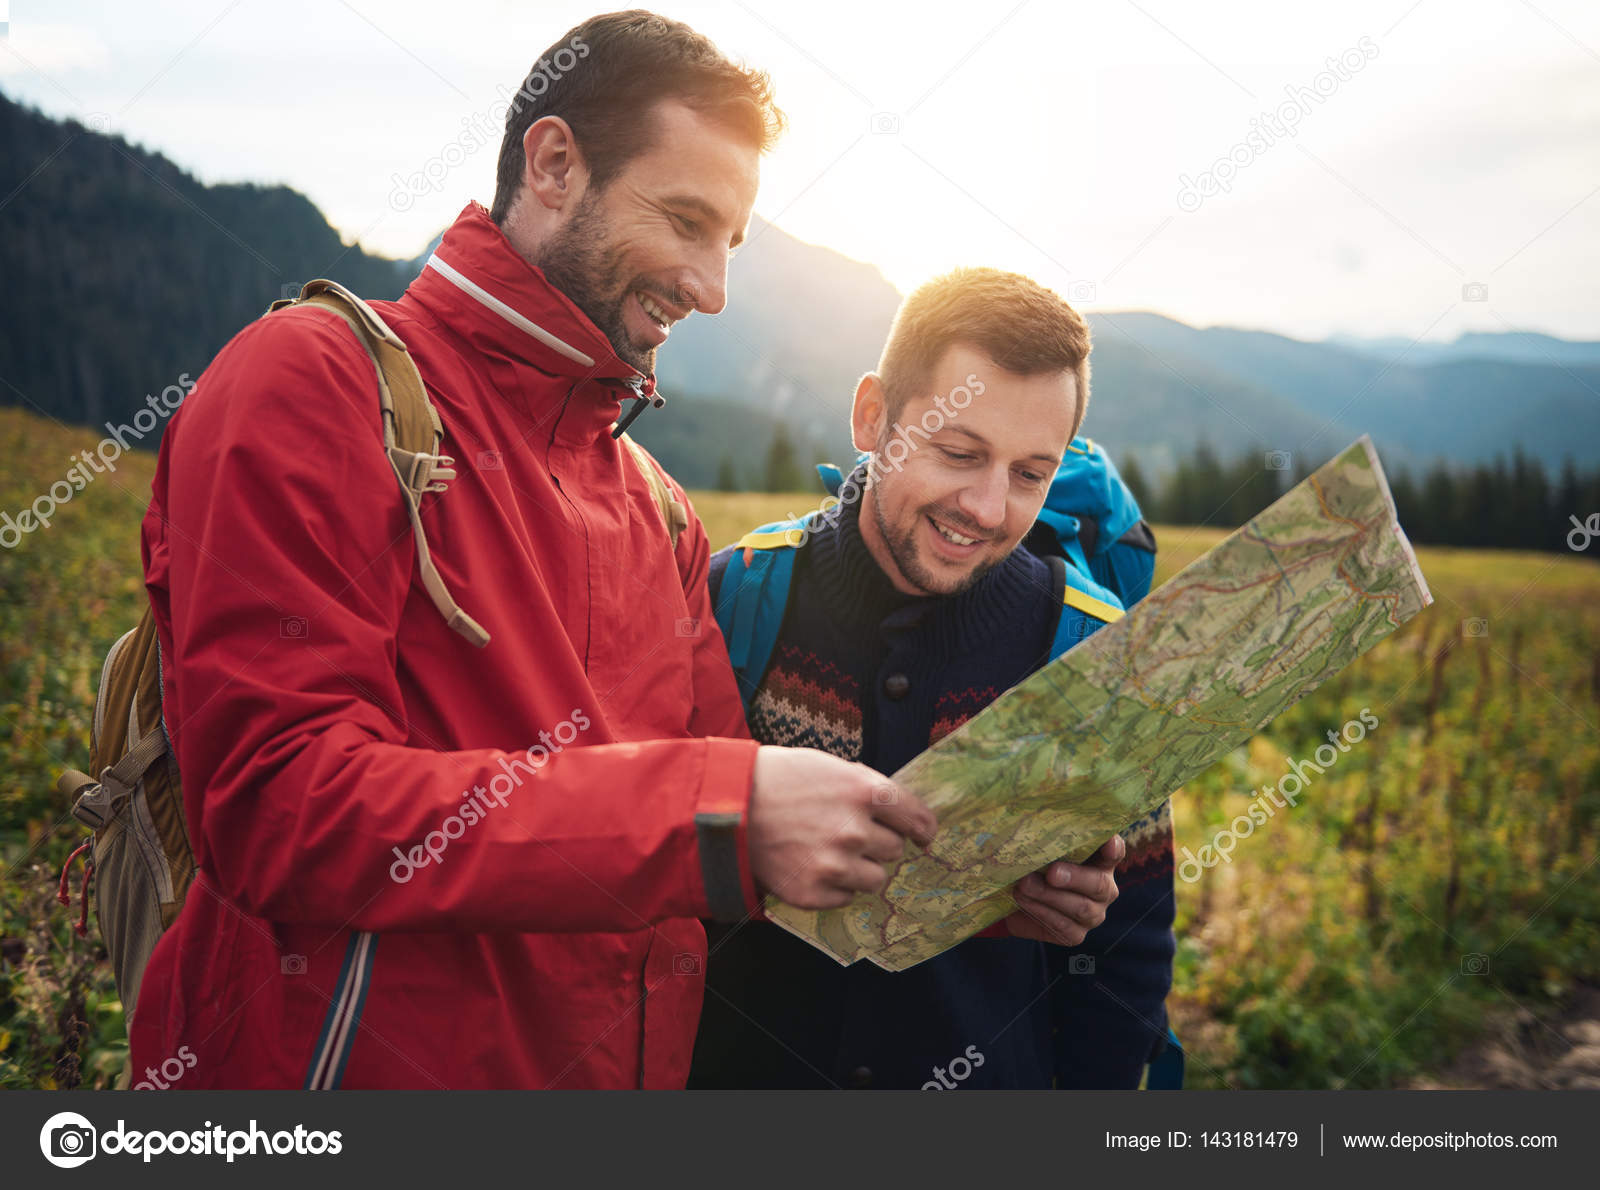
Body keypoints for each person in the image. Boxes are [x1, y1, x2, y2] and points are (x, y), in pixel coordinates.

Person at [127, 9, 950, 1091]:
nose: (712, 287)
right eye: (687, 221)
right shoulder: (313, 381)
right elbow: (277, 805)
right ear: (554, 163)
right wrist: (714, 813)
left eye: (731, 244)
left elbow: (743, 837)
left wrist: (968, 879)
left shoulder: (657, 506)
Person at [689, 268, 1177, 1089]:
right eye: (959, 453)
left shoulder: (1095, 654)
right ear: (873, 417)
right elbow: (642, 872)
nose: (987, 508)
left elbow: (1131, 963)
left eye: (1031, 474)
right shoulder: (731, 598)